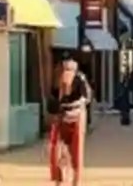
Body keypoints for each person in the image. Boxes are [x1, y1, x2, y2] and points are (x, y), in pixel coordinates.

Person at [47, 54, 92, 186]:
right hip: (61, 115)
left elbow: (87, 96)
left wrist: (78, 104)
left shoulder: (80, 78)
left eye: (70, 68)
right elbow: (53, 98)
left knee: (76, 150)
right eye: (65, 67)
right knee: (54, 147)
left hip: (76, 115)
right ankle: (58, 177)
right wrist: (55, 107)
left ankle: (76, 179)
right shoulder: (56, 78)